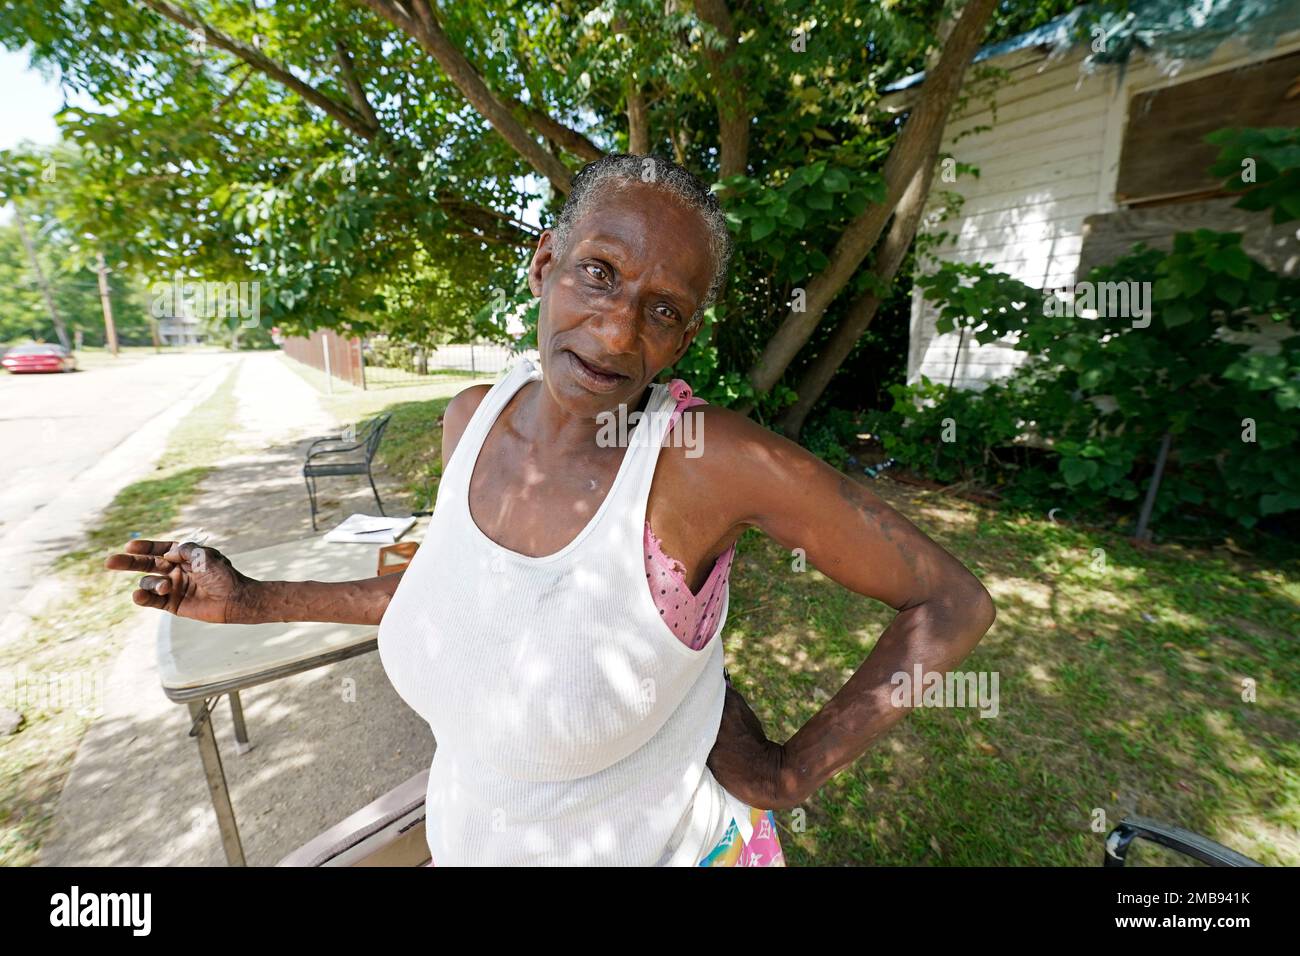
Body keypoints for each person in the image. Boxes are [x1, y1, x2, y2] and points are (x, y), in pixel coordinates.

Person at [106, 153, 996, 866]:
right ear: (545, 265)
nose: (617, 332)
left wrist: (790, 770)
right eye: (599, 274)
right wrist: (251, 600)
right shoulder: (471, 419)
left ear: (685, 335)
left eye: (662, 310)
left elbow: (952, 603)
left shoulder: (702, 466)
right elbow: (457, 596)